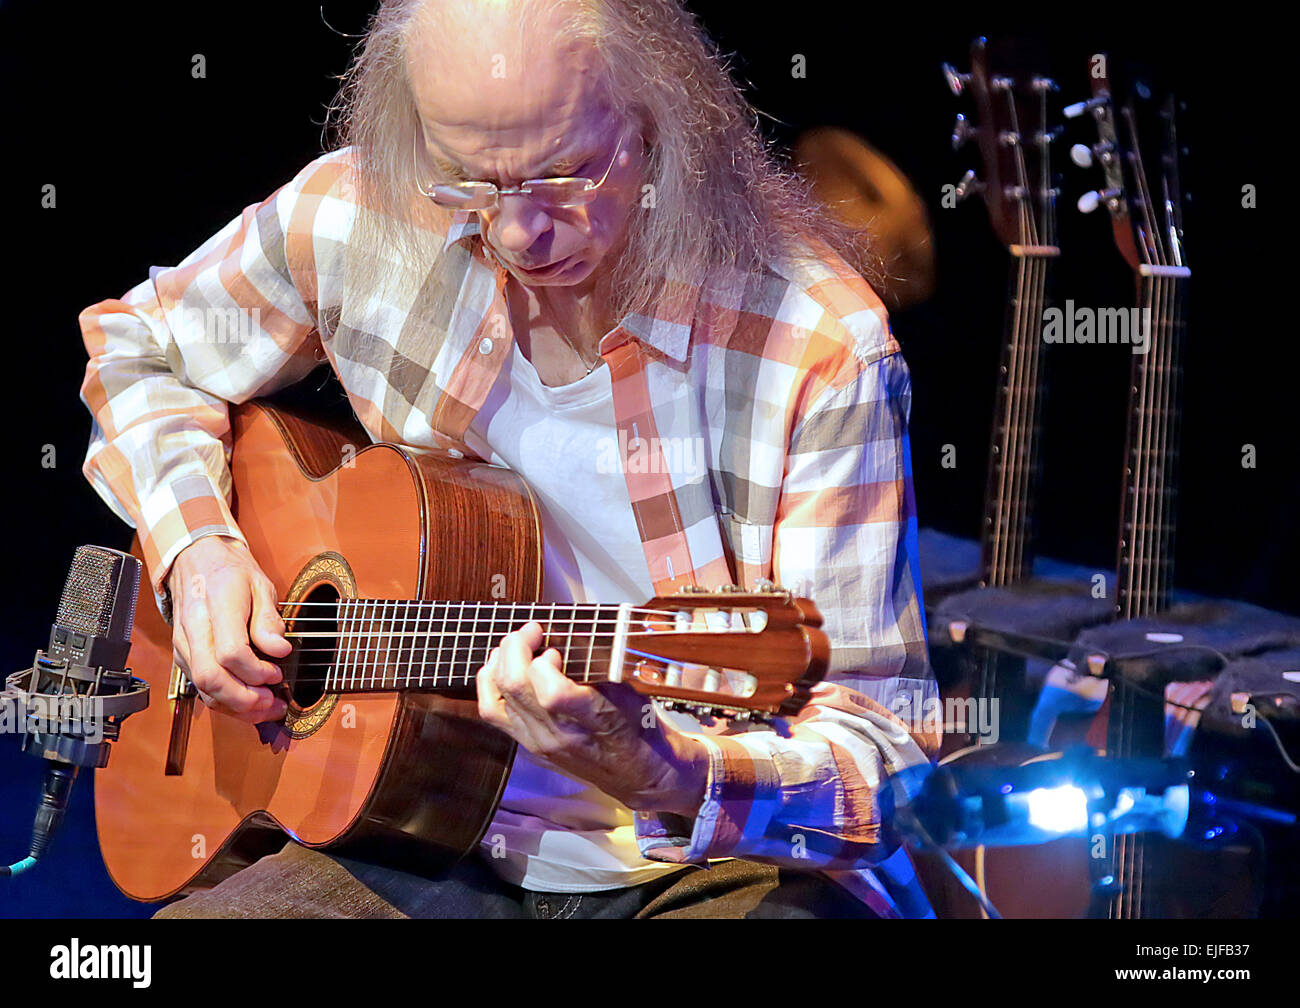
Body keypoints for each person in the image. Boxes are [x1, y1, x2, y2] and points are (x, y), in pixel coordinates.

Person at [79, 0, 939, 918]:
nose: (521, 231)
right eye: (470, 182)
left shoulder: (817, 342)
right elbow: (140, 348)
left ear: (658, 120)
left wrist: (667, 769)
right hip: (411, 829)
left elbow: (878, 760)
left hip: (702, 869)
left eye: (563, 173)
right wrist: (198, 547)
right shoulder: (359, 213)